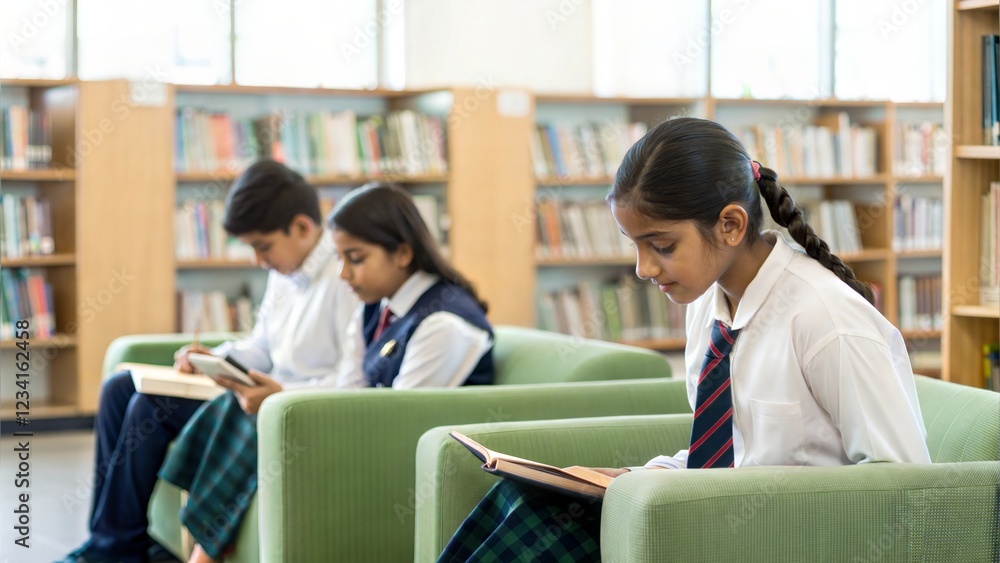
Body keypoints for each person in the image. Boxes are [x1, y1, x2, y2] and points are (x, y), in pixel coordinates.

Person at [438, 117, 931, 562]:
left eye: (662, 246)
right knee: (528, 506)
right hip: (719, 523)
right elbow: (727, 455)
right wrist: (636, 479)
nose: (643, 269)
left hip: (792, 539)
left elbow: (907, 483)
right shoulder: (706, 308)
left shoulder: (827, 319)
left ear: (731, 225)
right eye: (635, 246)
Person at [165, 182, 495, 563]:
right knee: (245, 408)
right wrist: (284, 396)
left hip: (407, 455)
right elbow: (349, 385)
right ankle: (202, 550)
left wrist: (287, 400)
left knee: (263, 419)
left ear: (403, 253)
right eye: (339, 258)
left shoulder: (444, 324)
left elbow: (401, 419)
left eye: (355, 258)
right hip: (369, 427)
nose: (342, 274)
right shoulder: (377, 306)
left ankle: (203, 552)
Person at [60, 160, 359, 563]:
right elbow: (261, 345)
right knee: (120, 389)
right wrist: (214, 359)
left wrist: (283, 392)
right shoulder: (286, 273)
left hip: (282, 404)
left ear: (303, 228)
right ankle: (114, 540)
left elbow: (352, 379)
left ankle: (113, 552)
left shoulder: (347, 280)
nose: (258, 260)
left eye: (263, 246)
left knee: (149, 405)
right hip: (250, 392)